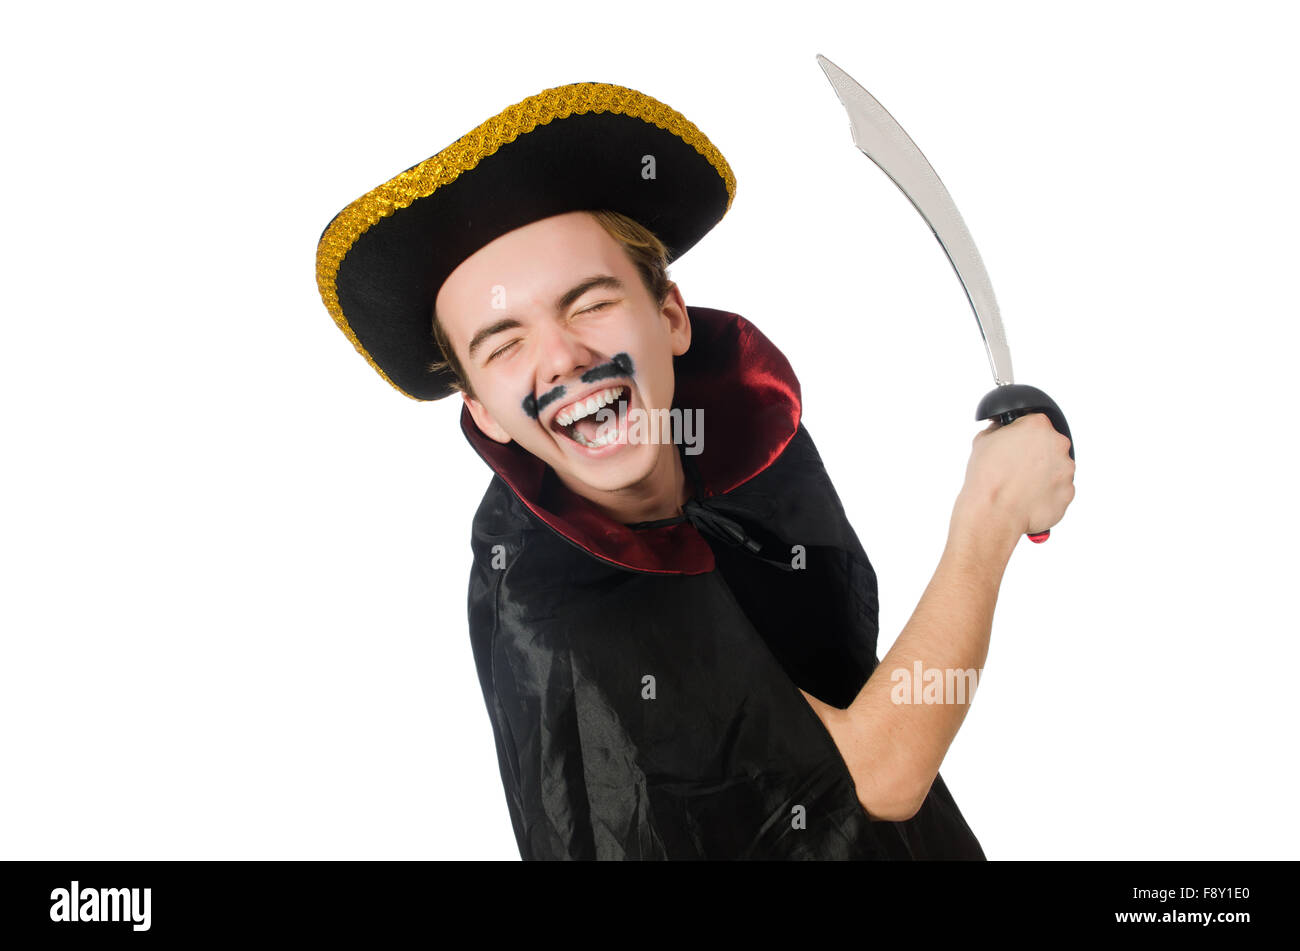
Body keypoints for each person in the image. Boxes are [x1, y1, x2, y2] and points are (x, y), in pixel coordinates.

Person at [315, 80, 1075, 860]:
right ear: (480, 412)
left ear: (671, 316)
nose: (563, 360)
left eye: (588, 303)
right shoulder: (555, 609)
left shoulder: (739, 446)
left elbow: (848, 689)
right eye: (503, 344)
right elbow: (875, 777)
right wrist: (990, 516)